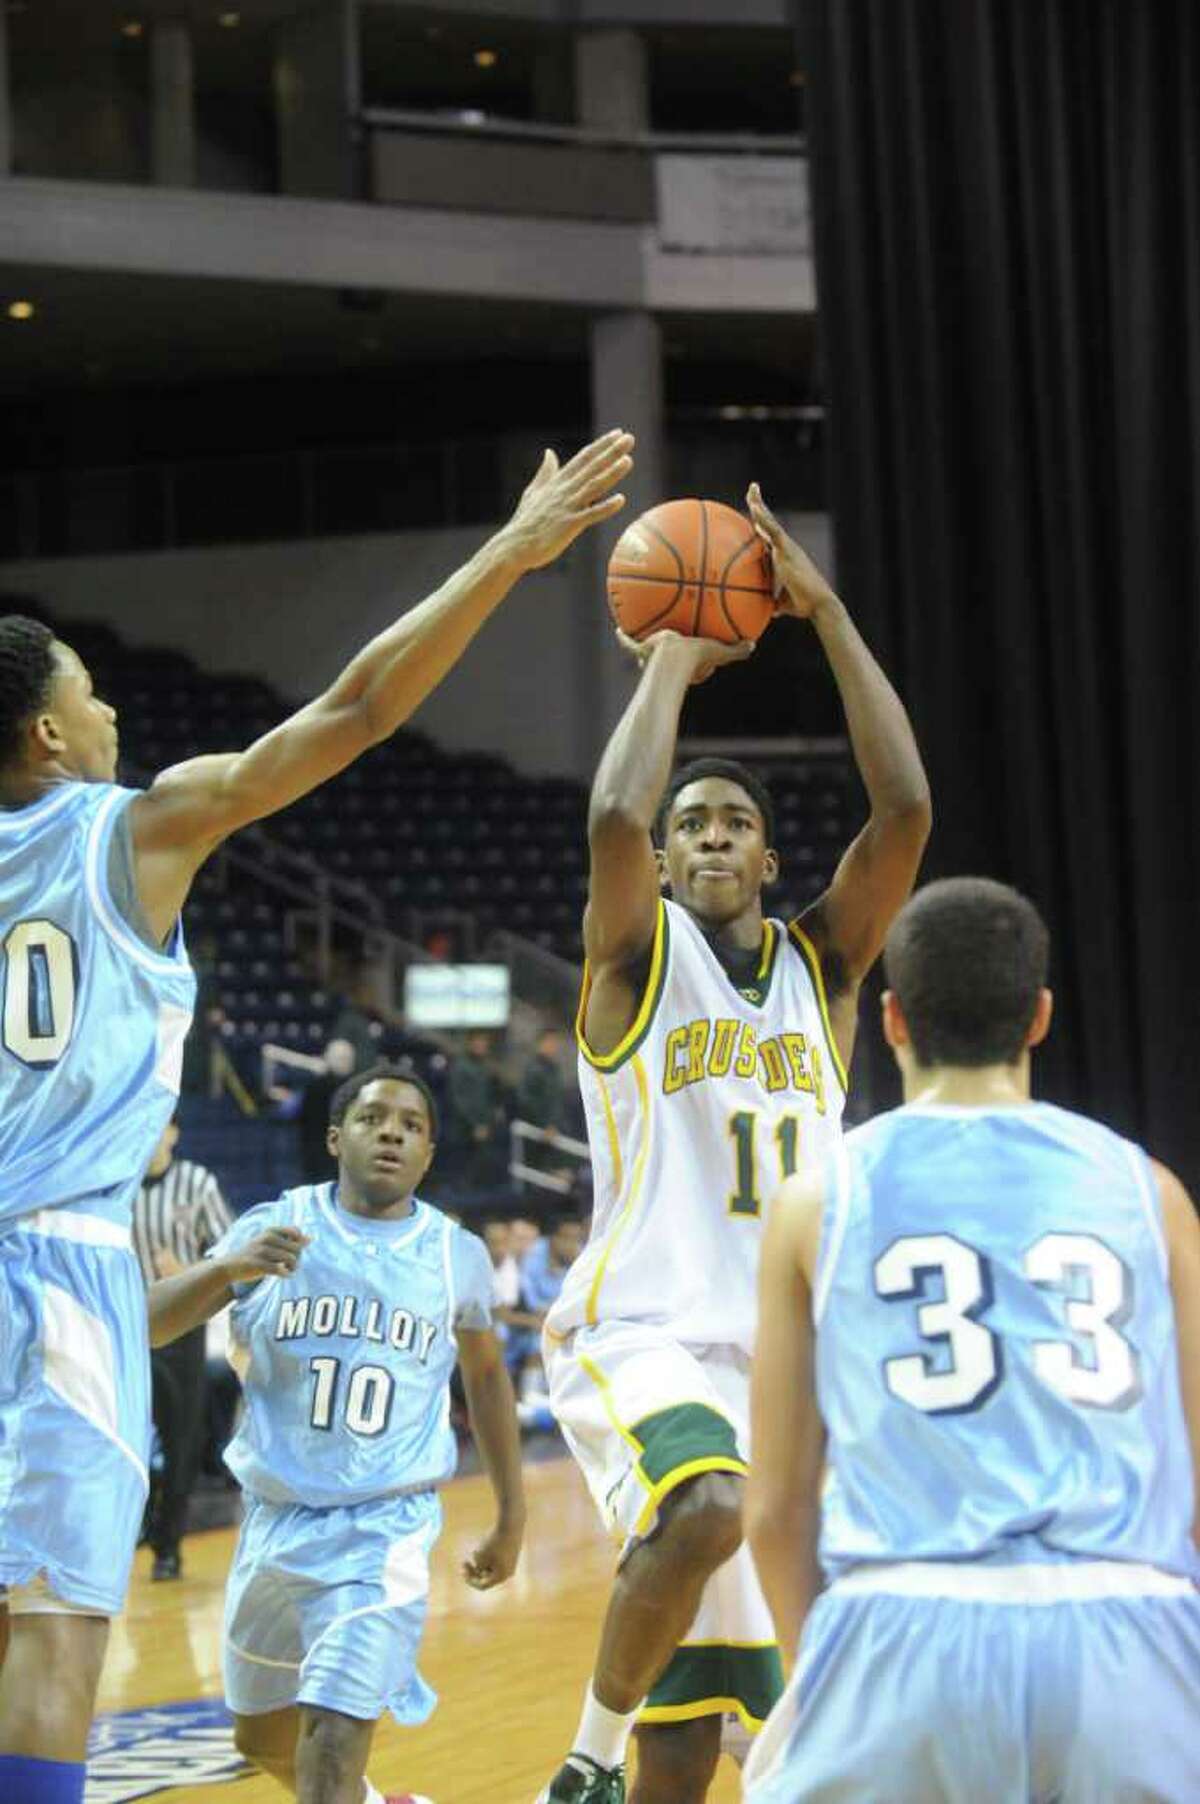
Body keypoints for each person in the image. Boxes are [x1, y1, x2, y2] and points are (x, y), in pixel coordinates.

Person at [0, 424, 632, 1803]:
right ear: (48, 734)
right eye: (94, 697)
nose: (115, 716)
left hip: (84, 1281)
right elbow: (352, 714)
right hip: (53, 1264)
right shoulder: (124, 826)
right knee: (48, 1638)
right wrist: (508, 556)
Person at [537, 486, 930, 1804]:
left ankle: (626, 1765)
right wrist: (669, 661)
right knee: (700, 1510)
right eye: (689, 824)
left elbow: (908, 809)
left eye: (733, 825)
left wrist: (822, 614)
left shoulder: (819, 970)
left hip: (778, 1357)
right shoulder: (631, 965)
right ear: (667, 859)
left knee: (698, 1730)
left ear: (768, 858)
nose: (708, 837)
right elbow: (608, 823)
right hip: (641, 1327)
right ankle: (577, 1767)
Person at [744, 878, 1200, 1803]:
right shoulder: (1151, 1193)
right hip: (1127, 1622)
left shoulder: (818, 1198)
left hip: (906, 1620)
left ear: (893, 1020)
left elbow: (776, 1513)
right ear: (1039, 1018)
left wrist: (820, 1674)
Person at [147, 1063, 524, 1804]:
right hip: (273, 1524)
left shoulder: (456, 1256)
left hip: (383, 1530)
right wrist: (228, 1269)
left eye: (412, 1126)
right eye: (373, 1117)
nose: (392, 1131)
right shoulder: (272, 1226)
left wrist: (512, 1516)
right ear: (334, 1136)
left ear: (427, 1155)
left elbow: (485, 1378)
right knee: (261, 1740)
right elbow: (153, 1322)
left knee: (331, 1743)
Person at [132, 1117, 235, 1579]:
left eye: (159, 1127)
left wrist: (187, 1269)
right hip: (126, 1327)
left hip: (180, 1328)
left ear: (174, 1132)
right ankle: (136, 1525)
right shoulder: (117, 1183)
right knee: (126, 1437)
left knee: (181, 1440)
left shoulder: (197, 1183)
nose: (151, 1136)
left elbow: (231, 1253)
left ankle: (168, 1546)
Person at [447, 1030, 507, 1195]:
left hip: (484, 1127)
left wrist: (492, 1116)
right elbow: (459, 1099)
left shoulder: (486, 1067)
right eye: (479, 1042)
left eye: (484, 1042)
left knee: (479, 1170)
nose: (482, 1046)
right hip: (463, 1128)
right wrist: (475, 1124)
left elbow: (491, 1095)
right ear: (470, 1043)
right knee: (463, 1171)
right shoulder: (461, 1066)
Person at [298, 1039, 358, 1183]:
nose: (345, 1062)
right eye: (341, 1058)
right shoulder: (315, 1088)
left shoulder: (359, 1089)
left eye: (347, 1059)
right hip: (320, 1155)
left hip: (343, 1157)